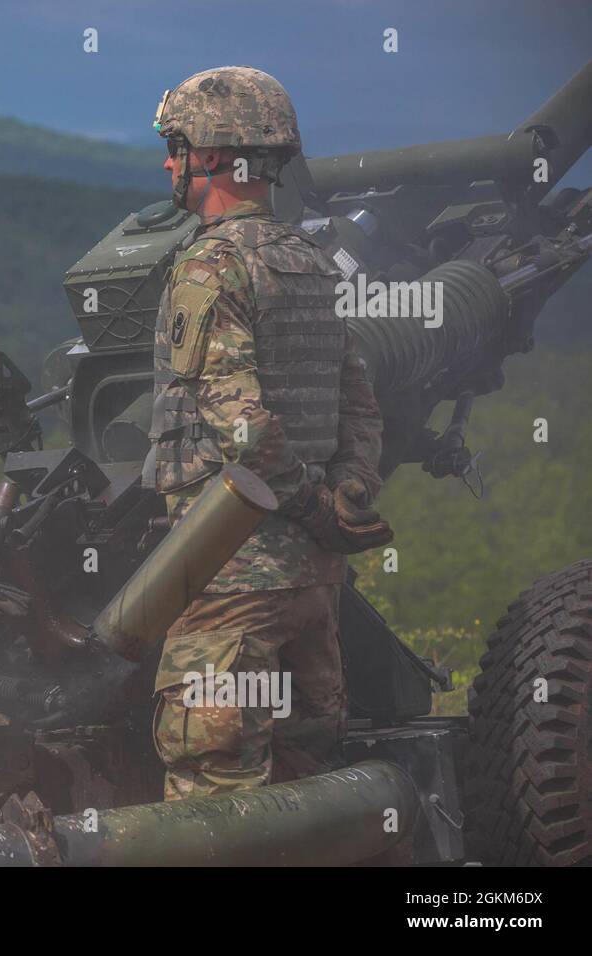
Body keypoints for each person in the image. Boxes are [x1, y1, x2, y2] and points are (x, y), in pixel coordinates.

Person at [148, 67, 393, 800]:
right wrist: (347, 494)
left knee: (215, 790)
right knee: (304, 789)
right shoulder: (311, 267)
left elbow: (242, 427)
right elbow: (361, 411)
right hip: (314, 585)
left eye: (175, 145)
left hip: (231, 575)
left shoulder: (211, 265)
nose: (167, 162)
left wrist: (313, 505)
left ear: (214, 156)